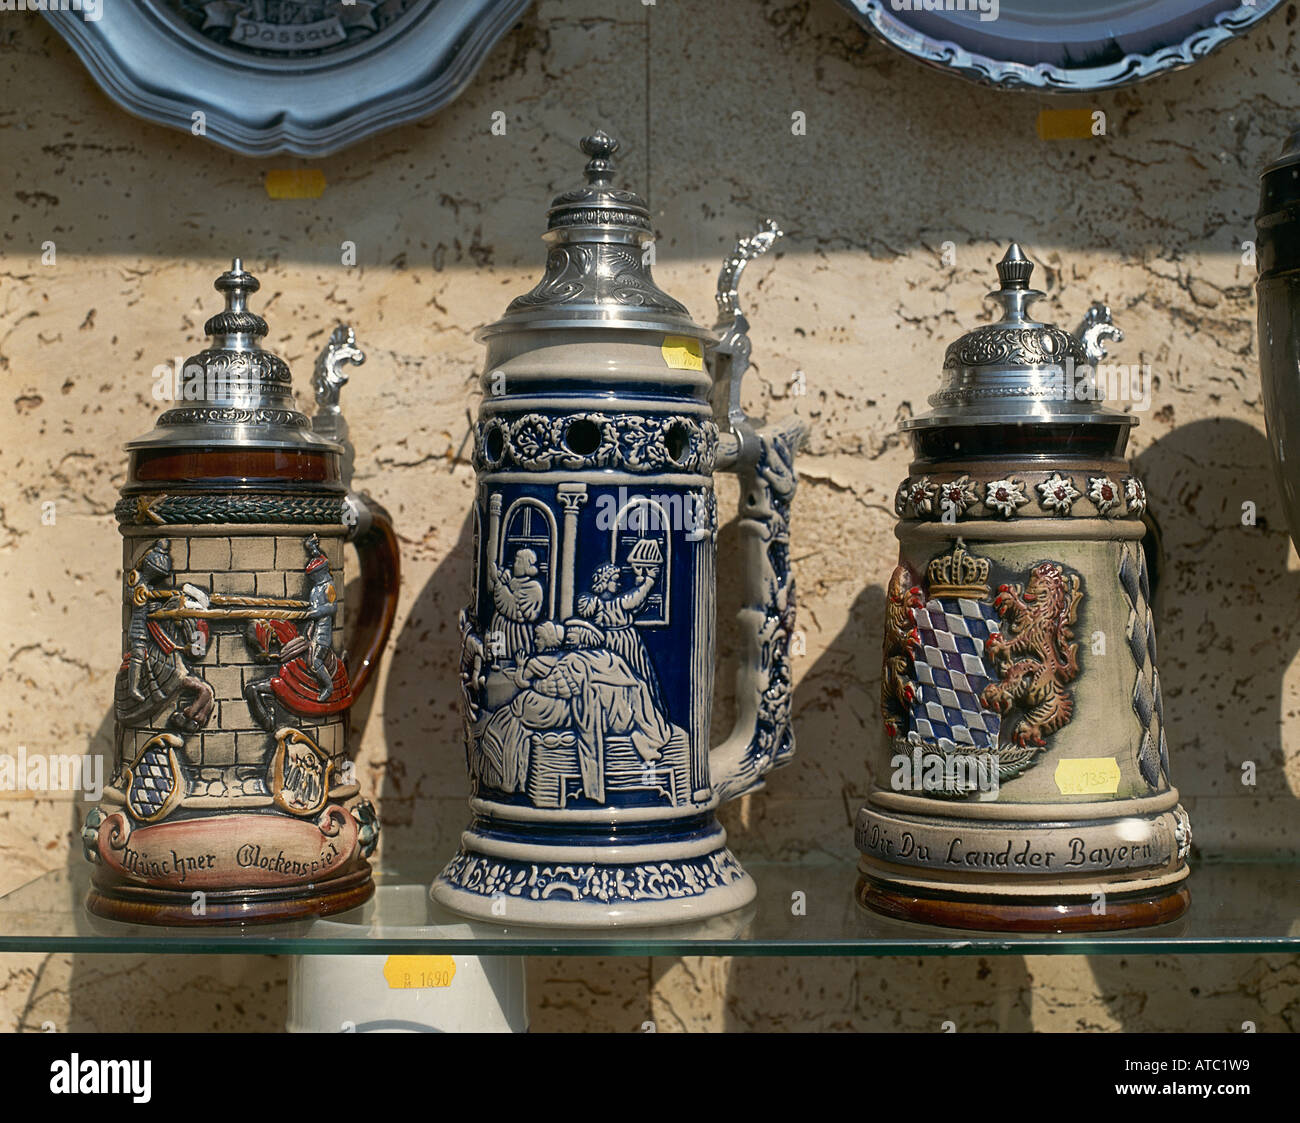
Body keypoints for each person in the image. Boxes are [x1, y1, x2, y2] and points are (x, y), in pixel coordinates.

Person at [477, 619, 672, 804]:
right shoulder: (611, 658)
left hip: (588, 716)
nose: (568, 637)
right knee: (520, 707)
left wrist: (532, 682)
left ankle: (504, 771)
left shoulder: (575, 660)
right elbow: (637, 687)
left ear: (584, 637)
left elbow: (553, 687)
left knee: (518, 707)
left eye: (573, 634)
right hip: (622, 719)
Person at [575, 562, 663, 708]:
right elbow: (635, 598)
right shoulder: (615, 604)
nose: (619, 584)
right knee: (629, 676)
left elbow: (637, 605)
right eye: (615, 580)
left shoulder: (605, 604)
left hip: (618, 642)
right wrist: (649, 581)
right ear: (605, 582)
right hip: (622, 643)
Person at [488, 547, 544, 663]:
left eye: (518, 561)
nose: (514, 564)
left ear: (526, 566)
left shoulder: (534, 588)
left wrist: (498, 583)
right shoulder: (512, 581)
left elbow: (513, 607)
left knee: (515, 657)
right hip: (501, 629)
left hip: (517, 632)